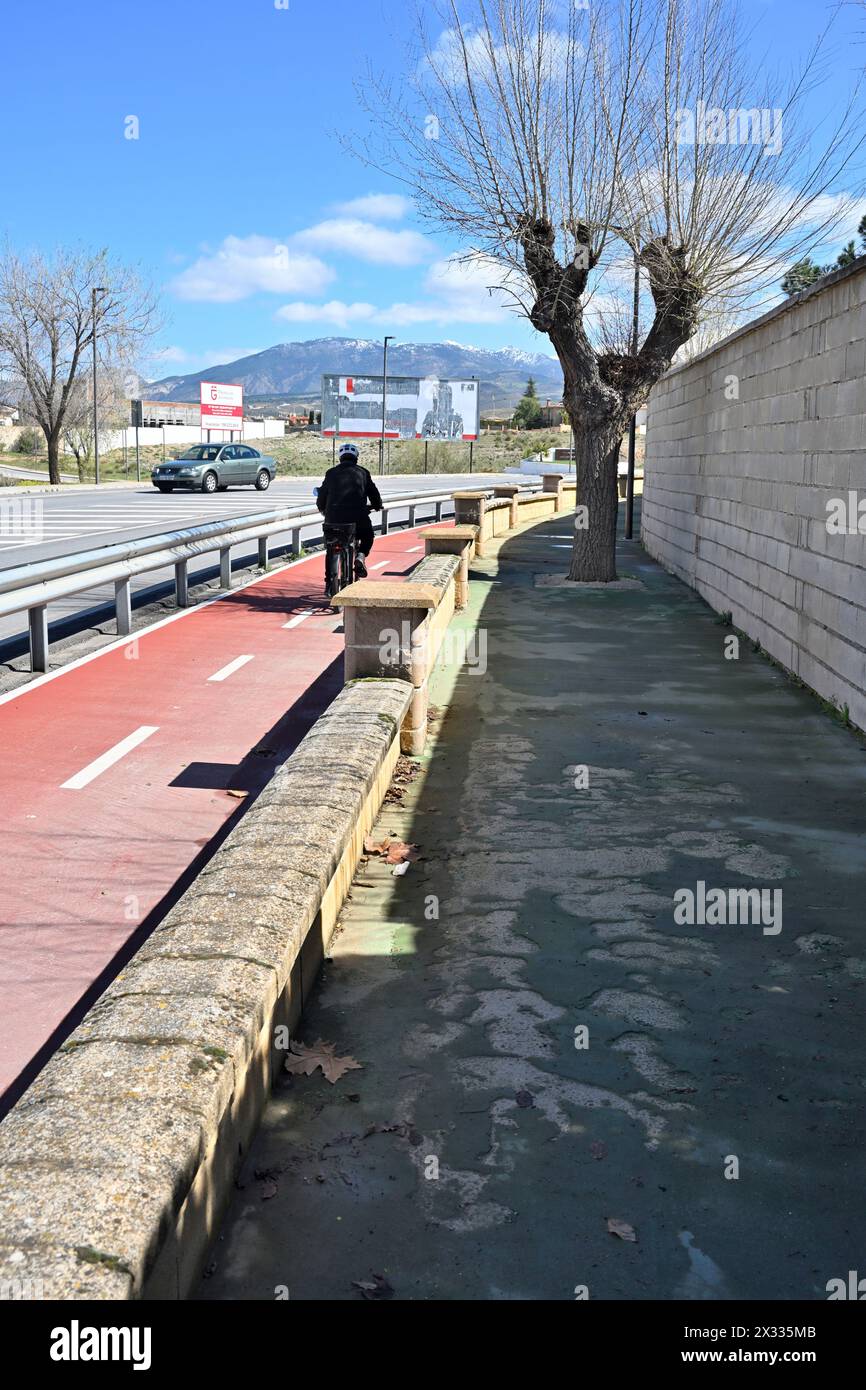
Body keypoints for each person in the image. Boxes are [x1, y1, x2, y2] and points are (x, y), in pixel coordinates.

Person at [316, 442, 382, 579]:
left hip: (333, 519)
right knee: (368, 535)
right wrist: (377, 505)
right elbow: (374, 494)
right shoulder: (363, 473)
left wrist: (322, 509)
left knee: (331, 545)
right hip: (358, 519)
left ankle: (329, 580)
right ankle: (360, 556)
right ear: (356, 457)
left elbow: (321, 496)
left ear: (340, 457)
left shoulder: (330, 473)